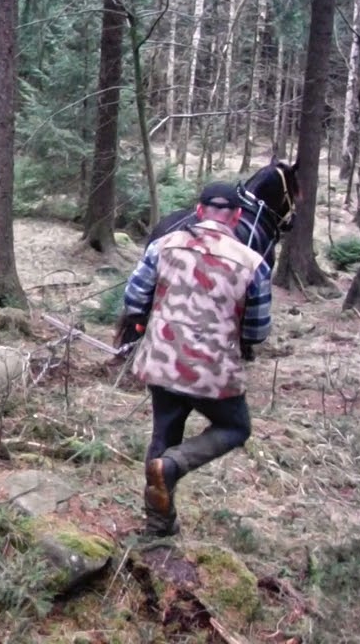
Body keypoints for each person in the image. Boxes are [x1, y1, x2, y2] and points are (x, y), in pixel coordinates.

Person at [119, 180, 272, 537]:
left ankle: (157, 526)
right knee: (236, 427)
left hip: (162, 362)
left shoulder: (162, 246)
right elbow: (257, 331)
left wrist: (150, 325)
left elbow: (133, 298)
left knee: (164, 434)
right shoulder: (253, 264)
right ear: (236, 217)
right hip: (212, 374)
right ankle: (173, 466)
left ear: (199, 211)